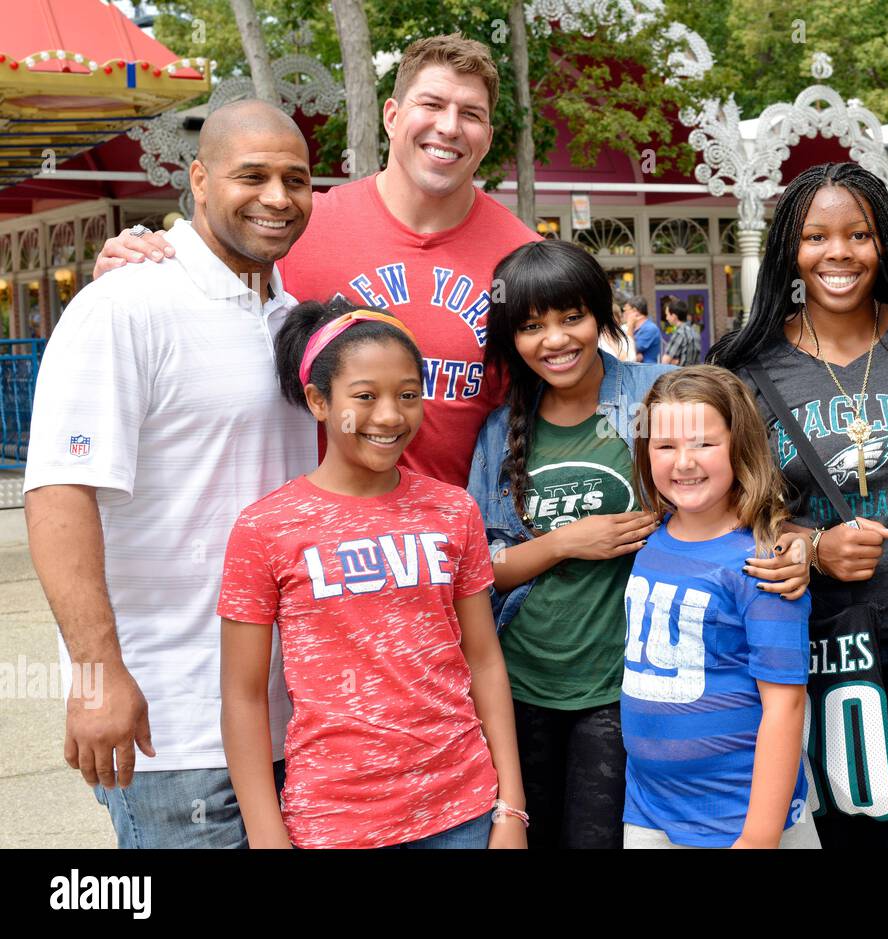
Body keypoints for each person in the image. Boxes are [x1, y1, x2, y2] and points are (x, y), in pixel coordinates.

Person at [23, 100, 318, 847]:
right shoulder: (125, 306)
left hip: (296, 717)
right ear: (199, 179)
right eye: (252, 175)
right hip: (172, 727)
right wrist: (96, 677)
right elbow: (59, 493)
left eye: (296, 178)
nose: (277, 197)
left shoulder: (296, 322)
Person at [466, 240, 809, 848]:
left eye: (572, 317)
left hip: (623, 686)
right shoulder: (500, 430)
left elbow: (749, 486)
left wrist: (799, 545)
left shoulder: (660, 395)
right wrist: (567, 542)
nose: (555, 339)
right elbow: (477, 575)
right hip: (524, 682)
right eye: (531, 326)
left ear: (602, 316)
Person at [93, 33, 539, 488]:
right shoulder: (294, 226)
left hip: (452, 541)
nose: (449, 126)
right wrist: (140, 259)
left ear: (487, 136)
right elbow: (204, 284)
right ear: (391, 116)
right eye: (431, 104)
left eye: (471, 114)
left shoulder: (524, 257)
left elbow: (559, 396)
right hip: (305, 540)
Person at [709, 162, 888, 849]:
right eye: (816, 237)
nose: (838, 253)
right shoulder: (746, 366)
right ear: (790, 251)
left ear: (884, 243)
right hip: (808, 646)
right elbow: (718, 515)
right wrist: (811, 547)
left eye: (859, 234)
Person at [218, 298, 526, 849]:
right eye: (365, 397)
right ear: (318, 400)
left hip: (464, 809)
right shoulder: (265, 528)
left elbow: (482, 657)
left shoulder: (453, 511)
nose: (390, 416)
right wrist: (267, 835)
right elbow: (243, 695)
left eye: (409, 396)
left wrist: (511, 809)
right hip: (334, 820)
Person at [622, 366, 817, 849]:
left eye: (704, 443)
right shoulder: (652, 543)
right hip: (650, 812)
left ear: (738, 445)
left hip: (743, 820)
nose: (684, 462)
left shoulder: (763, 563)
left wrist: (758, 837)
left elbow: (785, 707)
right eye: (665, 446)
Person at [621, 295, 662, 364]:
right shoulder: (633, 328)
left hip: (647, 372)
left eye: (625, 310)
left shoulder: (650, 328)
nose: (623, 313)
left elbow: (629, 350)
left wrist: (630, 326)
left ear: (635, 311)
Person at [660, 296, 701, 366]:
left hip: (681, 374)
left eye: (667, 315)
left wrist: (675, 362)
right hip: (694, 374)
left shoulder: (679, 334)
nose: (666, 318)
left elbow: (665, 361)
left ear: (674, 316)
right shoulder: (695, 332)